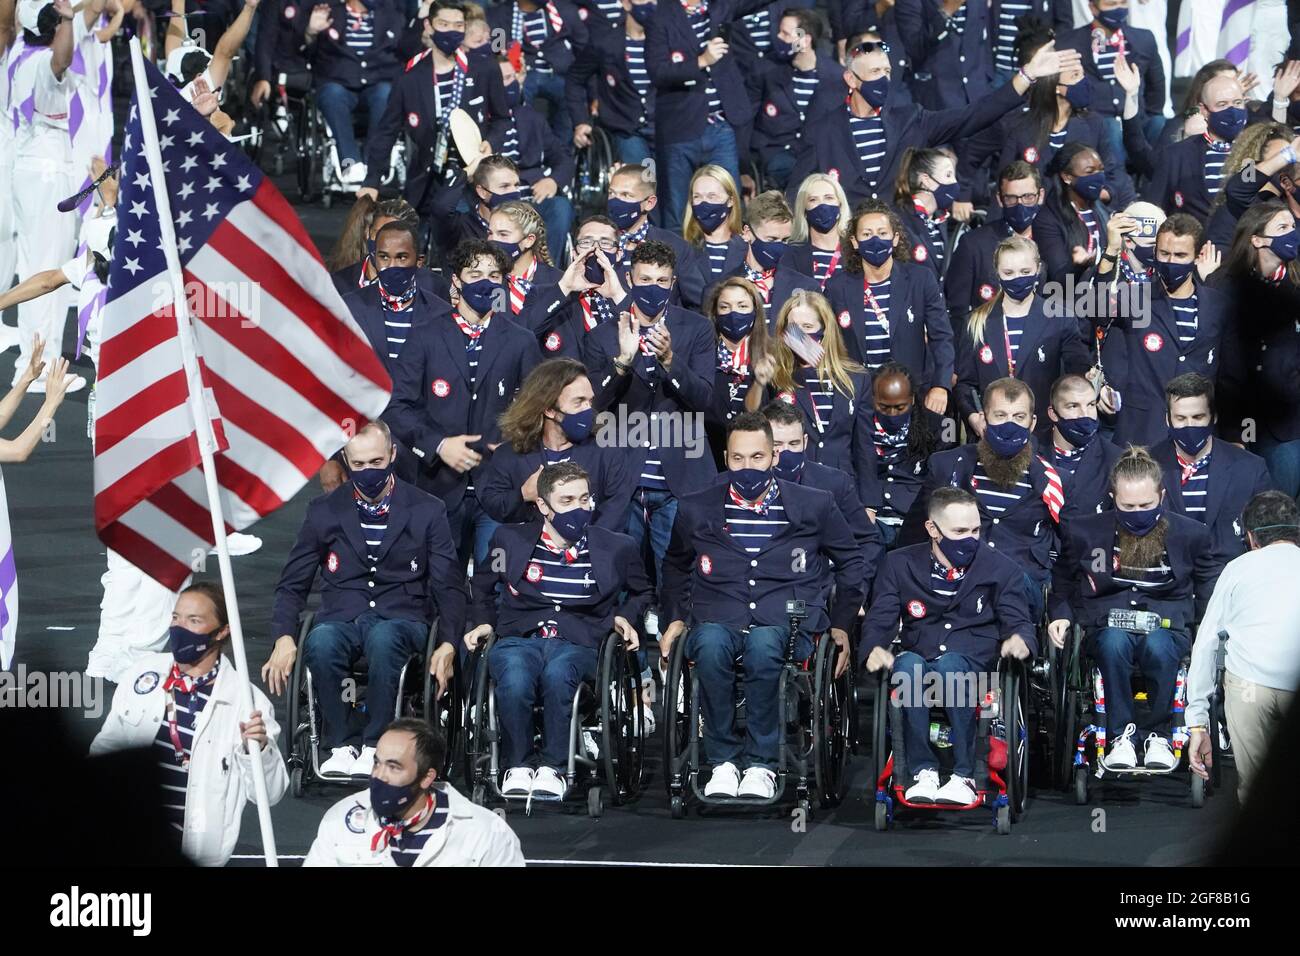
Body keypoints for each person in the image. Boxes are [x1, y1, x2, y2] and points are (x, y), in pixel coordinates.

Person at [660, 413, 865, 799]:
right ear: (726, 458)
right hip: (719, 618)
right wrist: (672, 619)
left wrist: (841, 624)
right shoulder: (696, 507)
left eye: (757, 457)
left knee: (763, 644)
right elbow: (675, 565)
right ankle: (722, 759)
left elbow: (852, 562)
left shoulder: (815, 504)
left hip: (789, 625)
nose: (747, 466)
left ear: (773, 457)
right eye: (738, 458)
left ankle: (761, 762)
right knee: (709, 643)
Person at [265, 422, 468, 776]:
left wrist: (449, 643)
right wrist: (284, 636)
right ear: (345, 460)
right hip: (342, 615)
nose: (368, 471)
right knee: (321, 641)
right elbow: (292, 584)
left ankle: (377, 744)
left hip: (403, 617)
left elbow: (449, 585)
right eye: (359, 465)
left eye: (376, 462)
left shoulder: (427, 509)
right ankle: (342, 743)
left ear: (392, 455)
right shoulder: (324, 509)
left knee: (384, 638)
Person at [466, 462, 652, 798]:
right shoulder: (508, 540)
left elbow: (642, 591)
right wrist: (483, 621)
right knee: (515, 674)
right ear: (543, 506)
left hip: (580, 640)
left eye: (584, 499)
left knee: (559, 673)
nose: (579, 508)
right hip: (520, 638)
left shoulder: (617, 546)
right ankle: (518, 765)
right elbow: (481, 586)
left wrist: (625, 615)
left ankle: (553, 767)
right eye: (566, 501)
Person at [90, 582, 289, 867]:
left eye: (193, 621)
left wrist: (257, 751)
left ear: (221, 631)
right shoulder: (142, 675)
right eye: (176, 618)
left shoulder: (247, 704)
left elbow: (270, 795)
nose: (179, 628)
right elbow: (106, 746)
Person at [862, 486, 1034, 805]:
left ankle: (965, 774)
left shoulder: (1001, 567)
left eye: (975, 530)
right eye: (959, 531)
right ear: (932, 529)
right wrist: (874, 645)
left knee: (950, 666)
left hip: (974, 662)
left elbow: (1016, 616)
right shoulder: (899, 564)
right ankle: (922, 771)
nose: (970, 538)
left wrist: (1019, 638)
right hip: (921, 656)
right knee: (907, 666)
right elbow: (881, 616)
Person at [1048, 446, 1215, 771]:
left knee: (1159, 645)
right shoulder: (1085, 532)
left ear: (1162, 496)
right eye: (1128, 506)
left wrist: (1212, 630)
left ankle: (1159, 735)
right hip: (1108, 622)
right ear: (1113, 497)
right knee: (1113, 642)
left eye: (1145, 505)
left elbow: (1209, 587)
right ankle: (1120, 737)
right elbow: (1064, 580)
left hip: (1166, 624)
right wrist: (1062, 615)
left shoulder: (1191, 534)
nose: (1137, 512)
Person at [384, 239, 544, 567]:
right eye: (475, 274)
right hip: (437, 487)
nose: (485, 282)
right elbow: (396, 405)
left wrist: (512, 451)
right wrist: (439, 445)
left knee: (494, 586)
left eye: (493, 275)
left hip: (499, 491)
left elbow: (536, 410)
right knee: (440, 587)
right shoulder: (424, 335)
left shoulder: (521, 341)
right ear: (456, 280)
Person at [786, 37, 1081, 207]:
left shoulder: (910, 120)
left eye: (887, 71)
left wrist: (1027, 74)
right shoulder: (824, 130)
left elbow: (974, 115)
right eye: (874, 71)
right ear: (851, 79)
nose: (884, 79)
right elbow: (797, 192)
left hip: (900, 244)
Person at [580, 239, 716, 588]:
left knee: (678, 583)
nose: (652, 289)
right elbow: (592, 404)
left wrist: (671, 361)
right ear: (629, 279)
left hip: (680, 479)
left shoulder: (697, 329)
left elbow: (704, 399)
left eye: (661, 281)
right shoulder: (601, 336)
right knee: (619, 582)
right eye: (644, 280)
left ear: (673, 284)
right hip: (621, 478)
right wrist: (622, 363)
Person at [357, 0, 509, 248]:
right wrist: (371, 181)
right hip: (426, 178)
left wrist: (490, 143)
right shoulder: (410, 77)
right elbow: (387, 131)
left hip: (470, 177)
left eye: (458, 25)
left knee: (459, 242)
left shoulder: (484, 69)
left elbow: (502, 119)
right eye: (444, 24)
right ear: (428, 25)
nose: (451, 31)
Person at [911, 378, 1064, 622]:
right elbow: (914, 537)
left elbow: (1070, 554)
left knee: (1005, 574)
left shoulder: (1053, 481)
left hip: (1023, 590)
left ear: (1032, 423)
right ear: (983, 419)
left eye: (1019, 417)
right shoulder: (947, 466)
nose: (1009, 425)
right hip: (956, 585)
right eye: (1000, 416)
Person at [1187, 491, 1300, 803]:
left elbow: (1207, 643)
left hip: (1250, 689)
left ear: (1250, 538)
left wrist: (1197, 723)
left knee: (1257, 793)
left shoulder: (1237, 569)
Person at [304, 718, 525, 865]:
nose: (379, 775)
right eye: (376, 763)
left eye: (393, 767)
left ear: (427, 777)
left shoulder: (486, 833)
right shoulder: (340, 819)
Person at [1094, 212, 1226, 447]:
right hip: (1141, 435)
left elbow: (1231, 374)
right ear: (1155, 253)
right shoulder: (1137, 298)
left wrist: (1234, 434)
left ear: (1197, 256)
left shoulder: (1217, 304)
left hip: (1198, 435)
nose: (1171, 261)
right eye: (1164, 254)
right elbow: (1097, 307)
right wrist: (1112, 250)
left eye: (1180, 255)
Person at [7, 0, 86, 393]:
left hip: (30, 167)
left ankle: (31, 363)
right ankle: (37, 368)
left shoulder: (18, 56)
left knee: (33, 264)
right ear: (53, 28)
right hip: (48, 171)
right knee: (49, 269)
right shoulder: (42, 63)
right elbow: (64, 58)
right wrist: (70, 17)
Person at [956, 235, 1090, 443]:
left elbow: (1078, 376)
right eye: (1008, 273)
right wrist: (974, 418)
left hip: (1042, 435)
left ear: (1038, 269)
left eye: (1025, 272)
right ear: (997, 274)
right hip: (991, 434)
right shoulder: (976, 322)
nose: (1018, 278)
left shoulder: (1060, 318)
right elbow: (965, 384)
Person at [644, 0, 763, 232]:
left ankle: (730, 265)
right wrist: (701, 61)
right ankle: (676, 264)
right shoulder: (661, 16)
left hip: (721, 126)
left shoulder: (720, 6)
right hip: (680, 128)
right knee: (678, 212)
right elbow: (657, 71)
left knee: (729, 205)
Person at [1149, 373, 1275, 591]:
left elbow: (1270, 536)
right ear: (1167, 419)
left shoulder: (1250, 468)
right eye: (1181, 418)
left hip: (1231, 583)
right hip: (1164, 585)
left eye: (1198, 417)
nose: (1189, 425)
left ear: (1213, 417)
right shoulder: (1146, 465)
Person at [824, 199, 953, 411]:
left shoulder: (920, 279)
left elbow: (942, 336)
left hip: (911, 396)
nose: (875, 239)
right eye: (866, 234)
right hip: (858, 399)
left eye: (882, 233)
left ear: (895, 238)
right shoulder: (837, 286)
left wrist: (941, 385)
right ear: (854, 241)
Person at [478, 358, 633, 529]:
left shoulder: (608, 452)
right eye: (579, 402)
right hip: (531, 550)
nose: (588, 410)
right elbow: (493, 505)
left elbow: (615, 514)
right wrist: (523, 494)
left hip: (589, 552)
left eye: (589, 401)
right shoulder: (512, 453)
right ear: (549, 410)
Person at [1215, 200, 1300, 497]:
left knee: (1284, 510)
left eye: (1293, 226)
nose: (1293, 234)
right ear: (1257, 239)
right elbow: (1222, 364)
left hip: (1288, 427)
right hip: (1240, 423)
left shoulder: (1296, 286)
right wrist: (1232, 432)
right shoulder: (1225, 287)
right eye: (1283, 228)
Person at [759, 291, 875, 504]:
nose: (800, 335)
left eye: (807, 328)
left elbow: (864, 447)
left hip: (842, 492)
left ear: (825, 330)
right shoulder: (775, 377)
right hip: (791, 488)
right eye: (793, 328)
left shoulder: (857, 379)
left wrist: (869, 505)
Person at [763, 399, 884, 590]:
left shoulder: (834, 483)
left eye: (793, 443)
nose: (786, 452)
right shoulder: (743, 483)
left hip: (817, 591)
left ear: (804, 442)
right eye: (777, 444)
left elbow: (867, 542)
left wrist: (851, 591)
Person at [305, 0, 405, 185]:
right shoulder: (329, 12)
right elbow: (307, 55)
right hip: (338, 82)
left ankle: (372, 161)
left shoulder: (390, 14)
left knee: (386, 94)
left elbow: (403, 51)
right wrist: (311, 32)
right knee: (333, 94)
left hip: (378, 81)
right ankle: (350, 161)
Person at [1056, 0, 1166, 164]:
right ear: (1093, 8)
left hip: (1137, 120)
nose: (1119, 9)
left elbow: (1156, 87)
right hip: (1096, 125)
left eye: (1123, 3)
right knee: (1110, 127)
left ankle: (1156, 183)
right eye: (1111, 4)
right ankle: (1118, 185)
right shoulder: (1069, 43)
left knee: (1159, 123)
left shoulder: (1144, 39)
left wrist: (1149, 113)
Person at [748, 6, 844, 190]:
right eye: (780, 32)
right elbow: (749, 117)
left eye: (786, 34)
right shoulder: (767, 70)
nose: (779, 38)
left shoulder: (836, 77)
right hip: (779, 154)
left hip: (820, 156)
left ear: (805, 40)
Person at [944, 161, 1045, 330]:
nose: (1020, 204)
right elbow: (957, 311)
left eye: (1028, 197)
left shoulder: (1053, 241)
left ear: (1040, 196)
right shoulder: (974, 244)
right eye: (1011, 198)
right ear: (999, 199)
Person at [862, 361, 949, 549]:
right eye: (884, 407)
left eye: (900, 407)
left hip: (914, 522)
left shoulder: (937, 427)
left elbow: (939, 485)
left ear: (913, 400)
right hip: (868, 519)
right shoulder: (858, 425)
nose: (892, 414)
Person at [341, 221, 449, 372]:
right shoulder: (349, 307)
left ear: (419, 261)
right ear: (374, 258)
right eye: (384, 257)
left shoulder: (441, 314)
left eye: (401, 258)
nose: (392, 266)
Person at [494, 52, 576, 248]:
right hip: (494, 201)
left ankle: (548, 273)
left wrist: (553, 181)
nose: (508, 85)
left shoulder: (532, 118)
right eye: (501, 80)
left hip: (532, 197)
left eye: (510, 78)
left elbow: (563, 158)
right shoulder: (479, 121)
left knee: (560, 207)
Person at [567, 0, 657, 166]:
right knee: (644, 181)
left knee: (674, 187)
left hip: (666, 127)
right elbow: (575, 79)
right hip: (628, 130)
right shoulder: (605, 42)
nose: (650, 3)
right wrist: (580, 122)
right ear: (625, 3)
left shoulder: (668, 39)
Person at [485, 0, 587, 144]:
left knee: (572, 95)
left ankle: (562, 150)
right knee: (518, 94)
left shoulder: (563, 10)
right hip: (523, 74)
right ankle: (529, 147)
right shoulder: (499, 15)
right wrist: (510, 56)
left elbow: (583, 47)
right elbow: (497, 53)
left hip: (559, 74)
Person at [604, 162, 702, 305]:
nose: (616, 201)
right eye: (612, 193)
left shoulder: (676, 247)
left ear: (649, 203)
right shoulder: (596, 242)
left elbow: (697, 305)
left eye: (626, 195)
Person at [712, 190, 819, 316]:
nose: (778, 247)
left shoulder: (807, 288)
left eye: (784, 240)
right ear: (747, 233)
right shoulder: (719, 290)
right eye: (771, 239)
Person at [703, 277, 771, 454]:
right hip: (709, 454)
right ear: (715, 314)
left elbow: (757, 415)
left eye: (742, 306)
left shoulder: (770, 355)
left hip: (754, 455)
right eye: (725, 307)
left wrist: (758, 383)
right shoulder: (703, 354)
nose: (734, 314)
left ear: (755, 311)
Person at [1045, 372, 1122, 523]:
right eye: (1073, 406)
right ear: (1053, 413)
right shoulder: (1033, 453)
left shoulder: (1116, 460)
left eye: (1091, 405)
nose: (1085, 415)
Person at [1033, 141, 1113, 283]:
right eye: (1089, 172)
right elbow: (1058, 277)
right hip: (1070, 301)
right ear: (1067, 177)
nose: (1099, 176)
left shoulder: (1101, 209)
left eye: (1100, 170)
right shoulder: (1047, 220)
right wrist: (1078, 267)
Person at [892, 146, 960, 283]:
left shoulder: (940, 220)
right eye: (948, 175)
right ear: (926, 180)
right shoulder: (897, 219)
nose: (955, 182)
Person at [783, 172, 851, 289]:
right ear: (804, 209)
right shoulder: (790, 254)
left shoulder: (855, 250)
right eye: (813, 199)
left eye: (829, 198)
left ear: (840, 205)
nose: (822, 205)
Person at [682, 164, 747, 287]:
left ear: (730, 200)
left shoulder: (748, 249)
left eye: (712, 196)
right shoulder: (682, 250)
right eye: (697, 197)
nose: (704, 203)